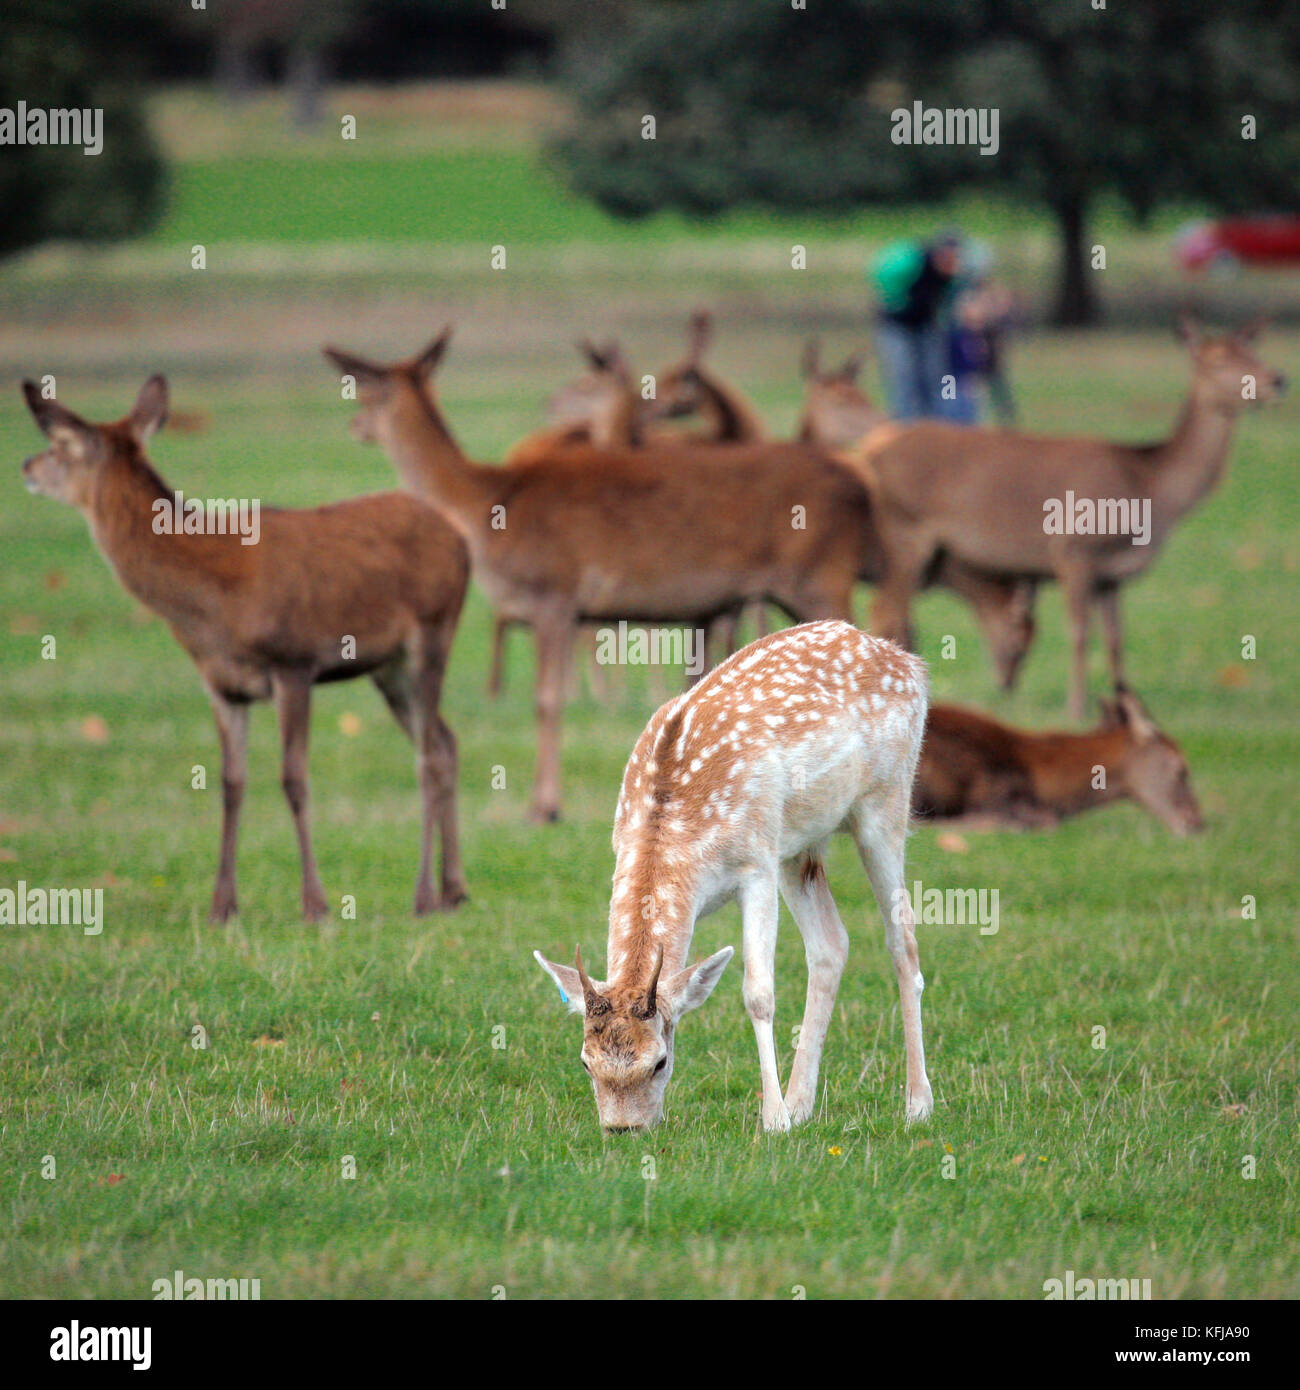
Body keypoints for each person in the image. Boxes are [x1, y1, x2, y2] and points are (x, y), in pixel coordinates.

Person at [869, 232, 963, 419]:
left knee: (934, 375)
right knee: (903, 375)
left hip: (927, 326)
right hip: (897, 326)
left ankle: (936, 422)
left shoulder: (953, 275)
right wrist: (896, 301)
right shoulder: (910, 263)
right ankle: (906, 424)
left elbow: (949, 302)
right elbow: (879, 274)